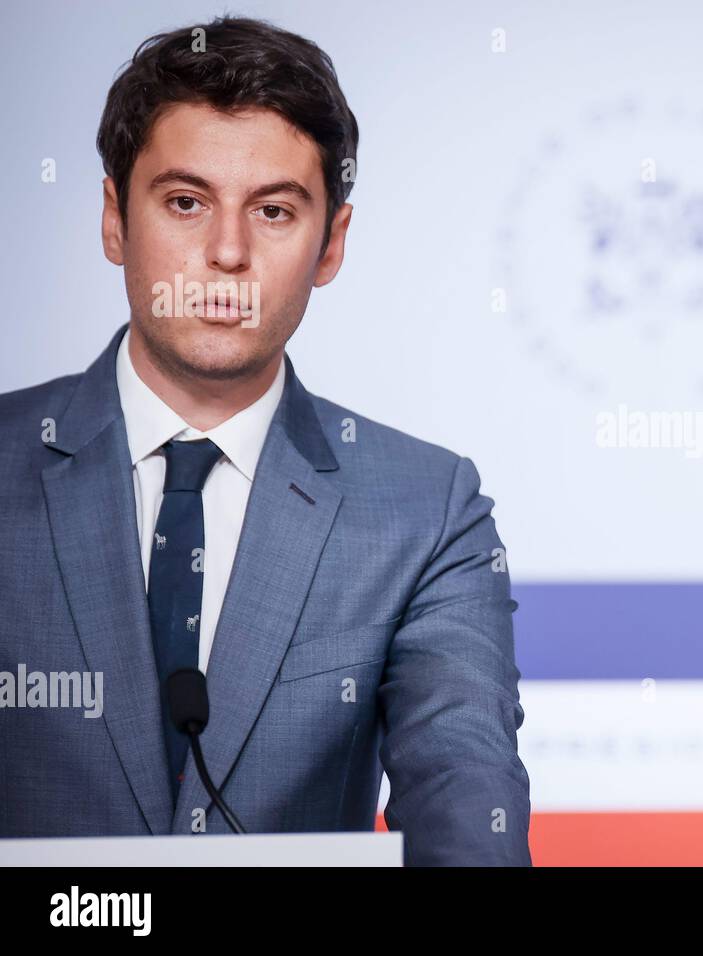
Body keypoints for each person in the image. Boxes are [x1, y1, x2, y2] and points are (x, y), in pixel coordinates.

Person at [0, 16, 531, 866]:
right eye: (185, 202)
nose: (227, 253)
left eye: (275, 211)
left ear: (332, 245)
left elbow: (466, 807)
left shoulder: (426, 513)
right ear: (113, 220)